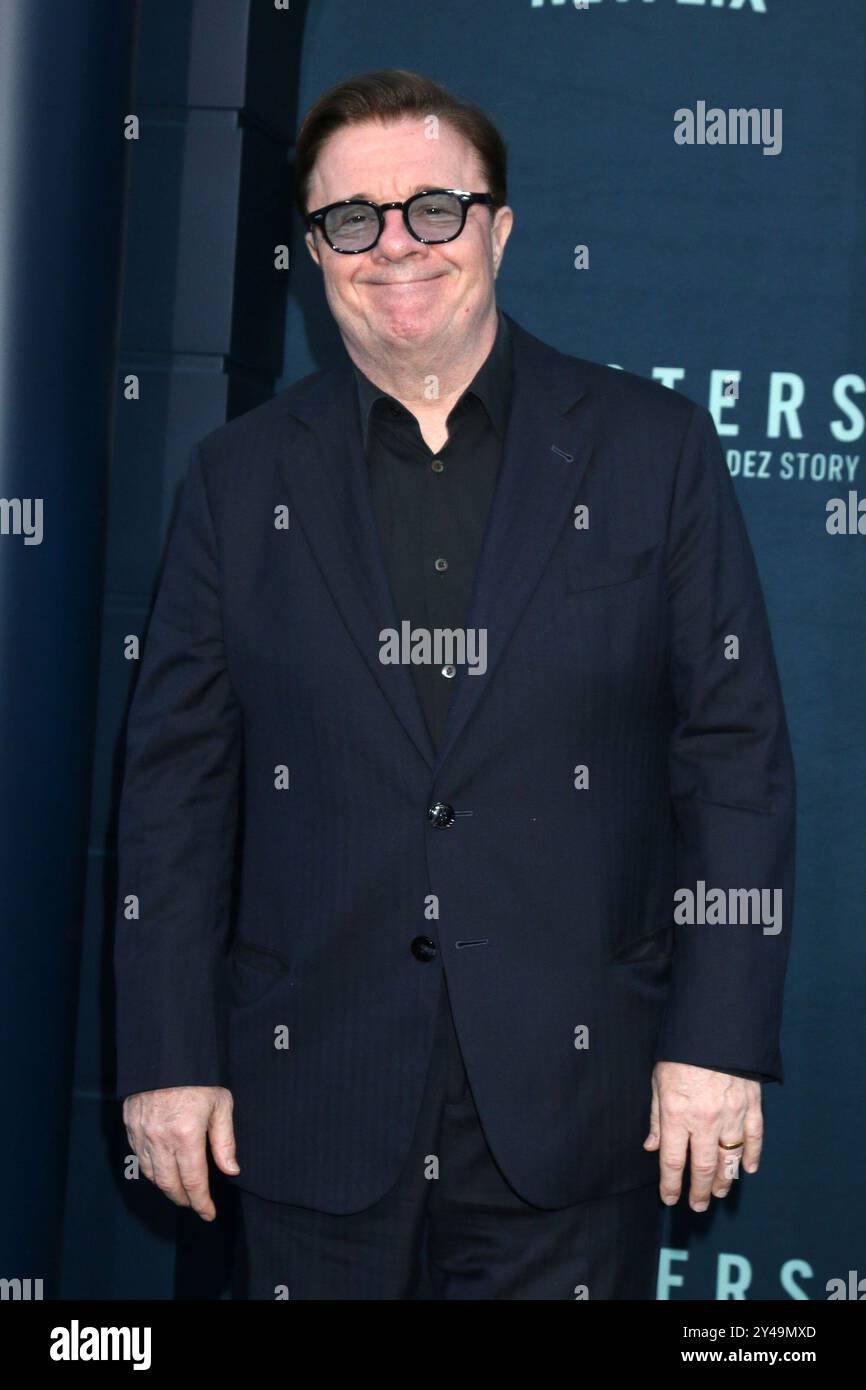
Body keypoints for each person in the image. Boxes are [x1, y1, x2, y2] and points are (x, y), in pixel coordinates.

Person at [115, 69, 796, 1300]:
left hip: (577, 1104)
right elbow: (175, 794)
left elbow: (732, 760)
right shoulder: (235, 480)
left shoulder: (651, 450)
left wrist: (716, 1038)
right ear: (313, 251)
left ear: (499, 229)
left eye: (433, 208)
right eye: (351, 218)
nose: (394, 245)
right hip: (307, 1101)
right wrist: (168, 1056)